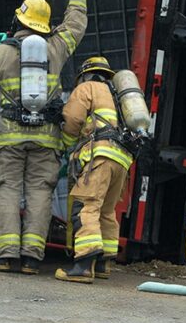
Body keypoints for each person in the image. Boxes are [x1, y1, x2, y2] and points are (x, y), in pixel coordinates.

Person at [0, 0, 88, 274]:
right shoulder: (56, 47)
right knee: (40, 192)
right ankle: (33, 258)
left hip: (9, 136)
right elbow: (76, 24)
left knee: (7, 190)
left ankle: (6, 254)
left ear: (19, 20)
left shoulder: (4, 50)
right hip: (47, 137)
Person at [55, 56, 134, 283]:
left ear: (85, 74)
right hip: (121, 160)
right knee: (106, 211)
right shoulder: (119, 96)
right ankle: (103, 264)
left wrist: (66, 143)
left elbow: (72, 117)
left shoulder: (88, 87)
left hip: (99, 156)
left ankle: (82, 266)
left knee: (85, 206)